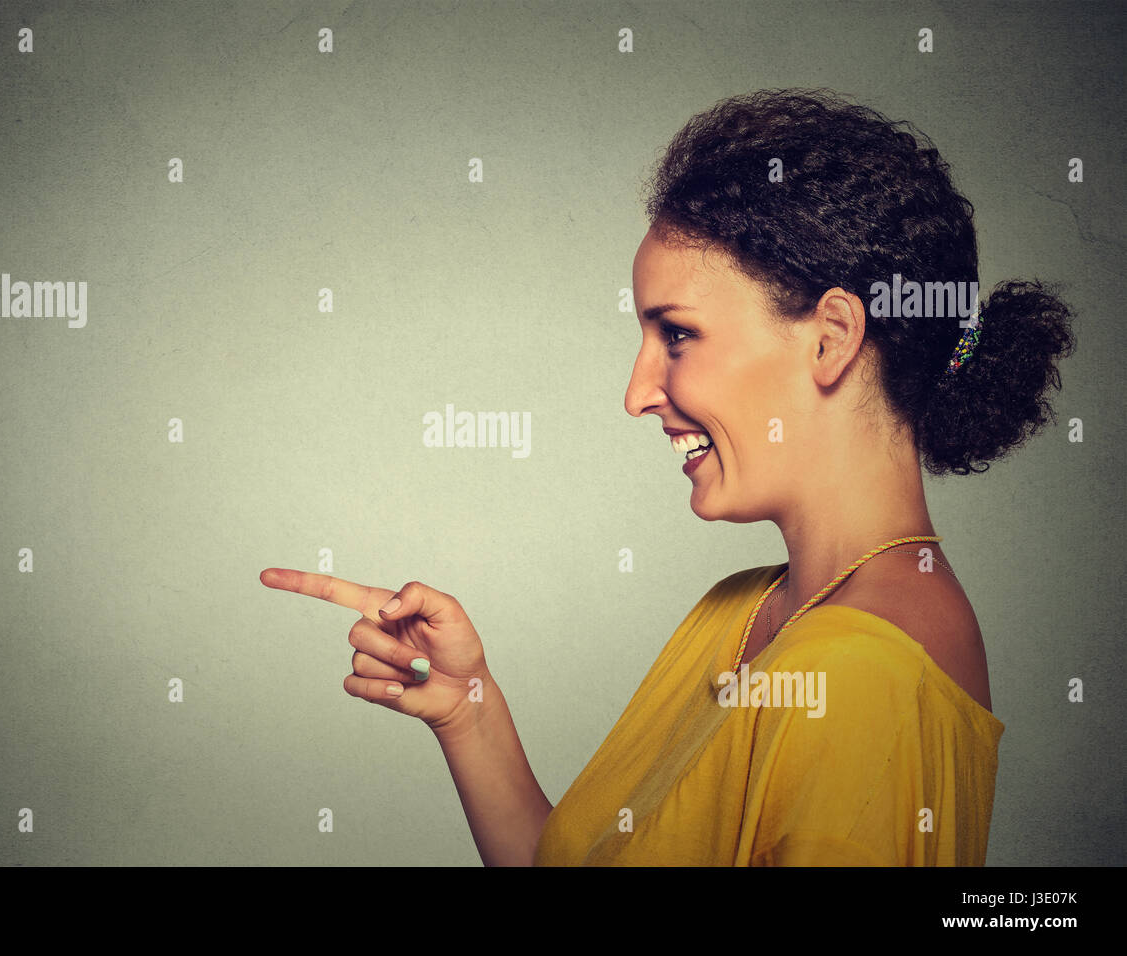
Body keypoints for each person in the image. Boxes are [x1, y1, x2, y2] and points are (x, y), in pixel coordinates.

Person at [260, 88, 1076, 866]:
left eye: (677, 335)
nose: (637, 393)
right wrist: (468, 711)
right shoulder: (743, 608)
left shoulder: (865, 678)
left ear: (830, 337)